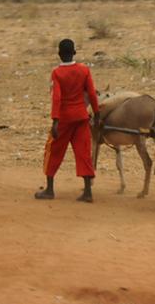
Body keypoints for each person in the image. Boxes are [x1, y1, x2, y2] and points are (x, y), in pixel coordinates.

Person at [34, 38, 100, 202]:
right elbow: (92, 93)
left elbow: (57, 98)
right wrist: (97, 114)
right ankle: (87, 192)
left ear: (59, 54)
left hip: (64, 119)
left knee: (54, 151)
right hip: (81, 117)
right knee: (84, 153)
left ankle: (49, 189)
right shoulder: (84, 70)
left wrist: (55, 121)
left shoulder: (57, 73)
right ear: (74, 53)